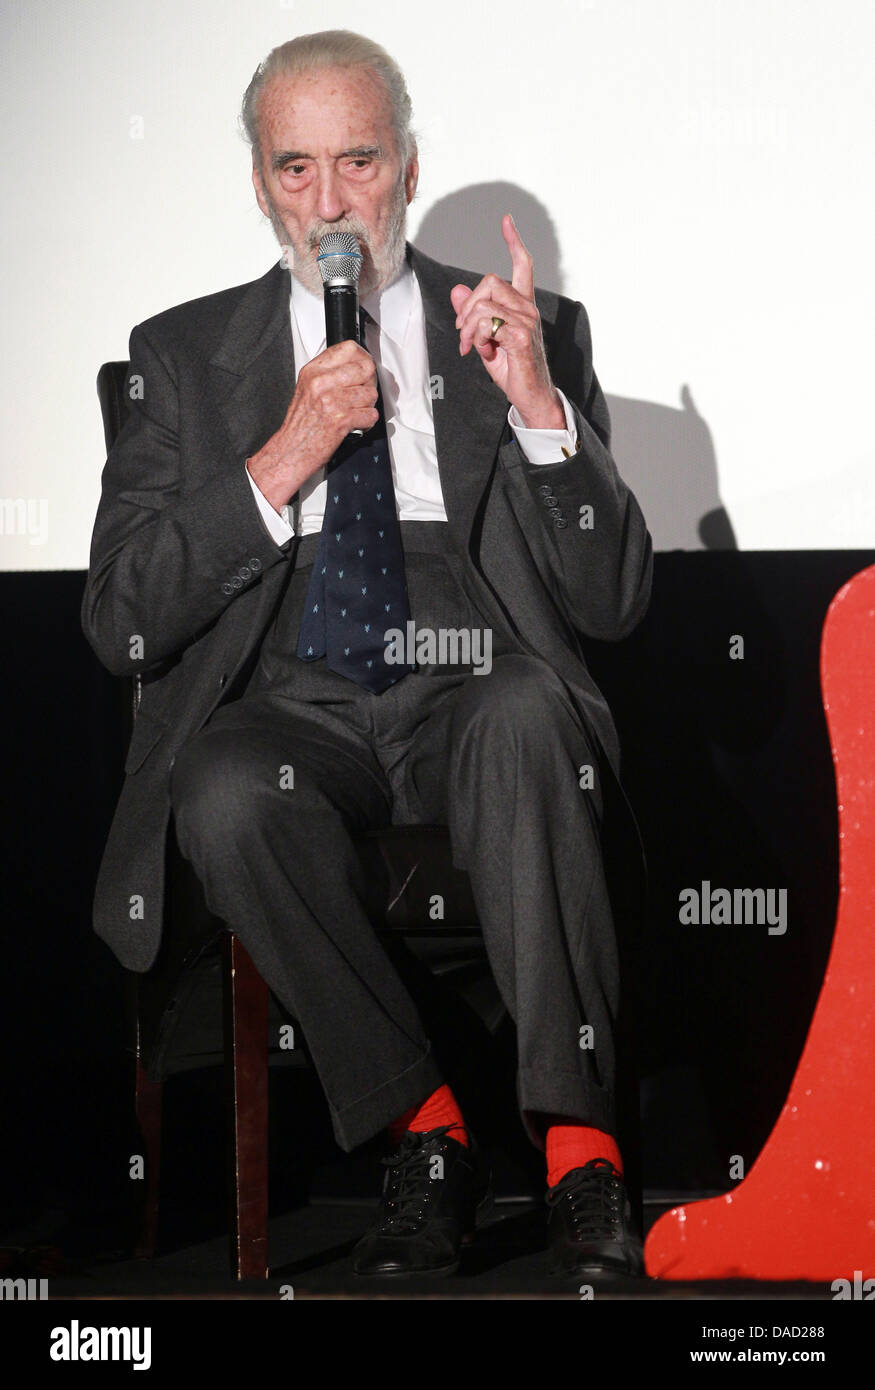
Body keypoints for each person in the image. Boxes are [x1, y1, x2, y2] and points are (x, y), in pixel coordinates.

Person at [82, 29, 653, 1280]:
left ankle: (580, 1155)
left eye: (359, 161)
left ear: (405, 161)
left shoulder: (518, 327)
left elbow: (610, 605)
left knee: (524, 718)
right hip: (289, 693)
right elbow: (120, 615)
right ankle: (426, 1134)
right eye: (296, 170)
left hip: (470, 671)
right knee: (222, 786)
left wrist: (542, 415)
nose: (331, 204)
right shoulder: (179, 358)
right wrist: (279, 457)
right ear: (256, 181)